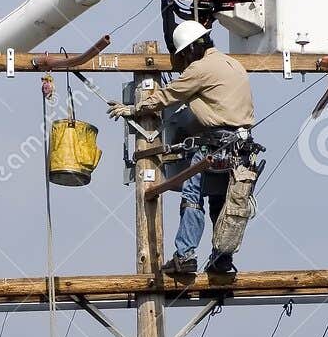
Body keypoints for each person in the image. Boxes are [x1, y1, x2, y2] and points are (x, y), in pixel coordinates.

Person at [108, 20, 256, 276]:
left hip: (216, 145)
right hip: (241, 152)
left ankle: (185, 256)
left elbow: (168, 96)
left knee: (192, 199)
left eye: (183, 57)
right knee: (224, 202)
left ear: (189, 51)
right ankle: (222, 259)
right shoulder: (233, 64)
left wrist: (133, 109)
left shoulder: (200, 69)